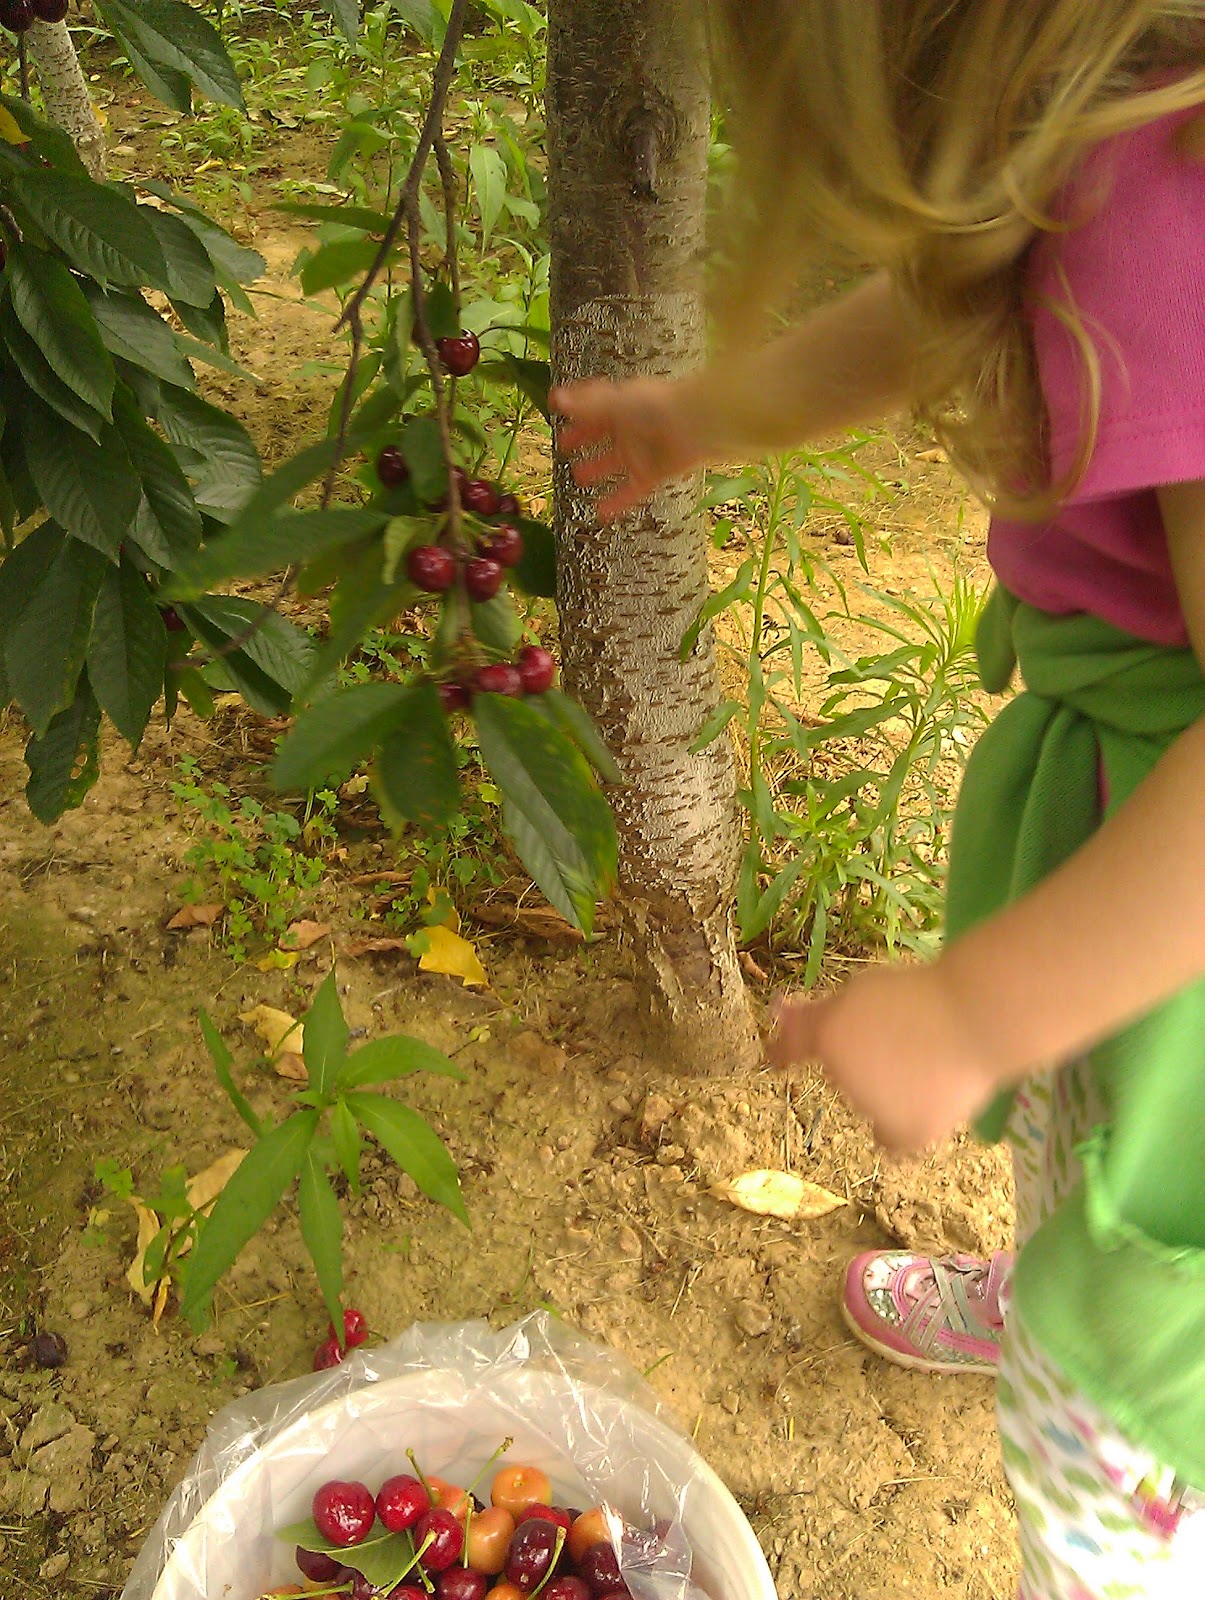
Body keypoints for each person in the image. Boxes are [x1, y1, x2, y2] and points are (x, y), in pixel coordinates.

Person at [551, 6, 1205, 1597]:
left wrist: (971, 1015)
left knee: (1123, 1440)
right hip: (1140, 853)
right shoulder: (1094, 151)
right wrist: (711, 415)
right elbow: (960, 299)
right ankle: (1057, 1263)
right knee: (1083, 1146)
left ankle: (1109, 1418)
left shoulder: (1152, 200)